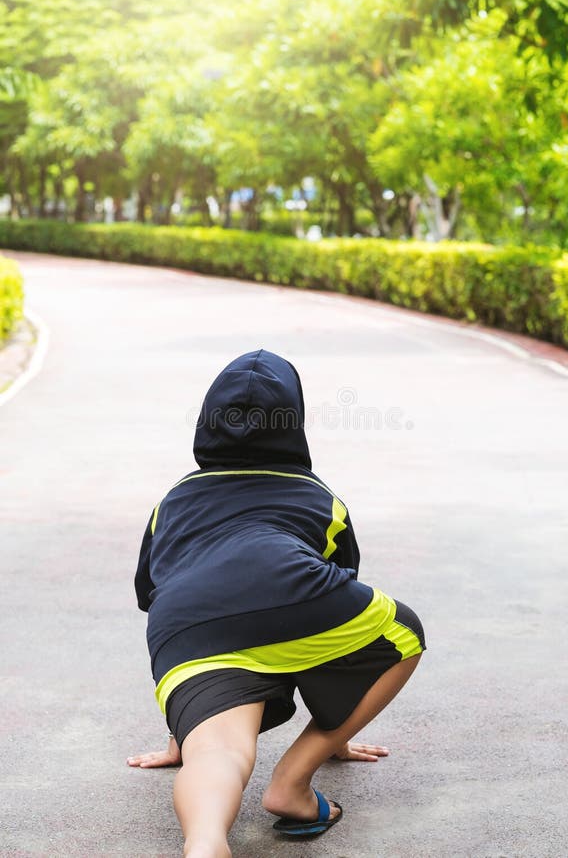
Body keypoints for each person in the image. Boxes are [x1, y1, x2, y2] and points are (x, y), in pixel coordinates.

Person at [128, 349, 425, 858]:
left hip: (184, 629)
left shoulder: (171, 502)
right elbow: (335, 626)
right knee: (403, 633)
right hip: (291, 595)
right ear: (294, 425)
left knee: (217, 751)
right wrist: (336, 733)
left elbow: (151, 594)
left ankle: (204, 843)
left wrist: (184, 730)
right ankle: (292, 781)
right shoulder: (318, 498)